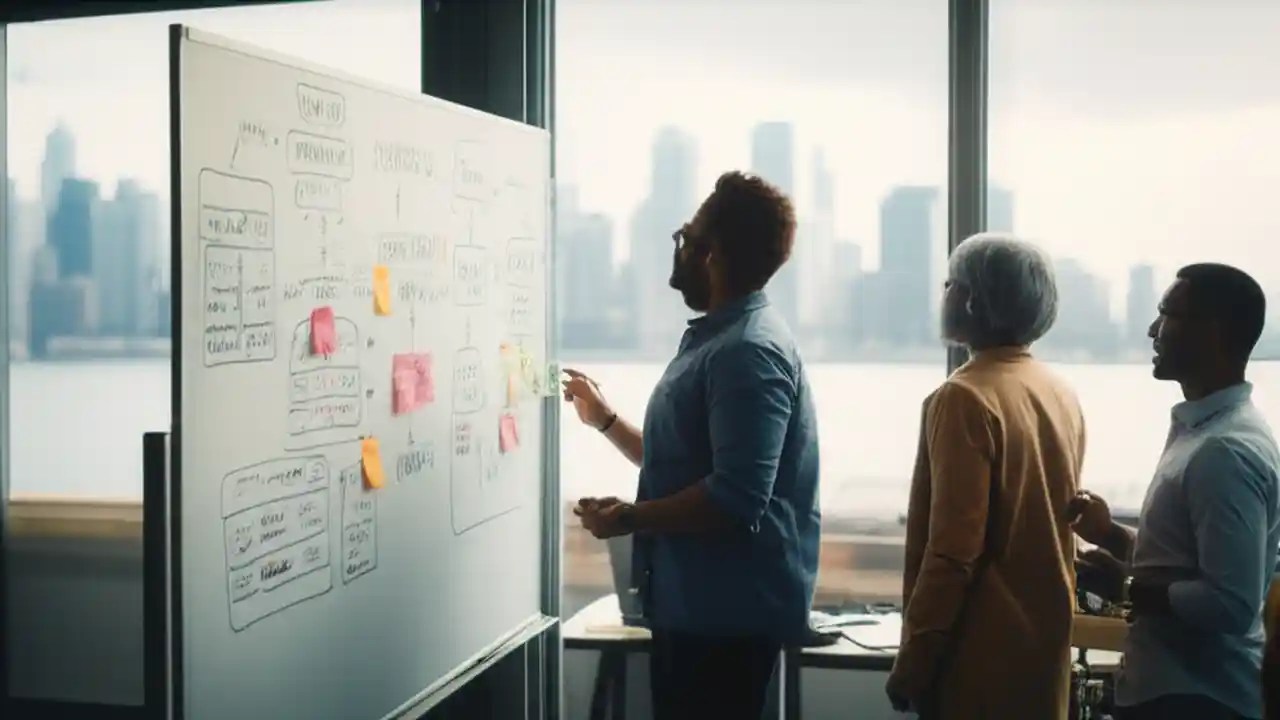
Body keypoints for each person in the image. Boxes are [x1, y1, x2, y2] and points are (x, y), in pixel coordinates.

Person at [563, 171, 820, 720]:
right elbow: (684, 466)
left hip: (723, 622)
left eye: (685, 236)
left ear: (712, 252)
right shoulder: (721, 339)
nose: (678, 249)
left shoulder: (747, 353)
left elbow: (737, 498)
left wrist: (630, 517)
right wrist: (605, 420)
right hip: (698, 612)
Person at [886, 233, 1086, 719]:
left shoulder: (964, 399)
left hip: (978, 661)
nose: (945, 294)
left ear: (973, 300)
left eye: (951, 284)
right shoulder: (1056, 390)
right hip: (1041, 654)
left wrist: (914, 660)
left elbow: (954, 552)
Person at [1070, 263, 1280, 720]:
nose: (1152, 329)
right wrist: (1112, 537)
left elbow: (1231, 603)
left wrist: (1126, 587)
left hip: (1197, 700)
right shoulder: (1204, 433)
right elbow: (1184, 567)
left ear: (1212, 333)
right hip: (1175, 691)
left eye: (1166, 313)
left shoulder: (1225, 450)